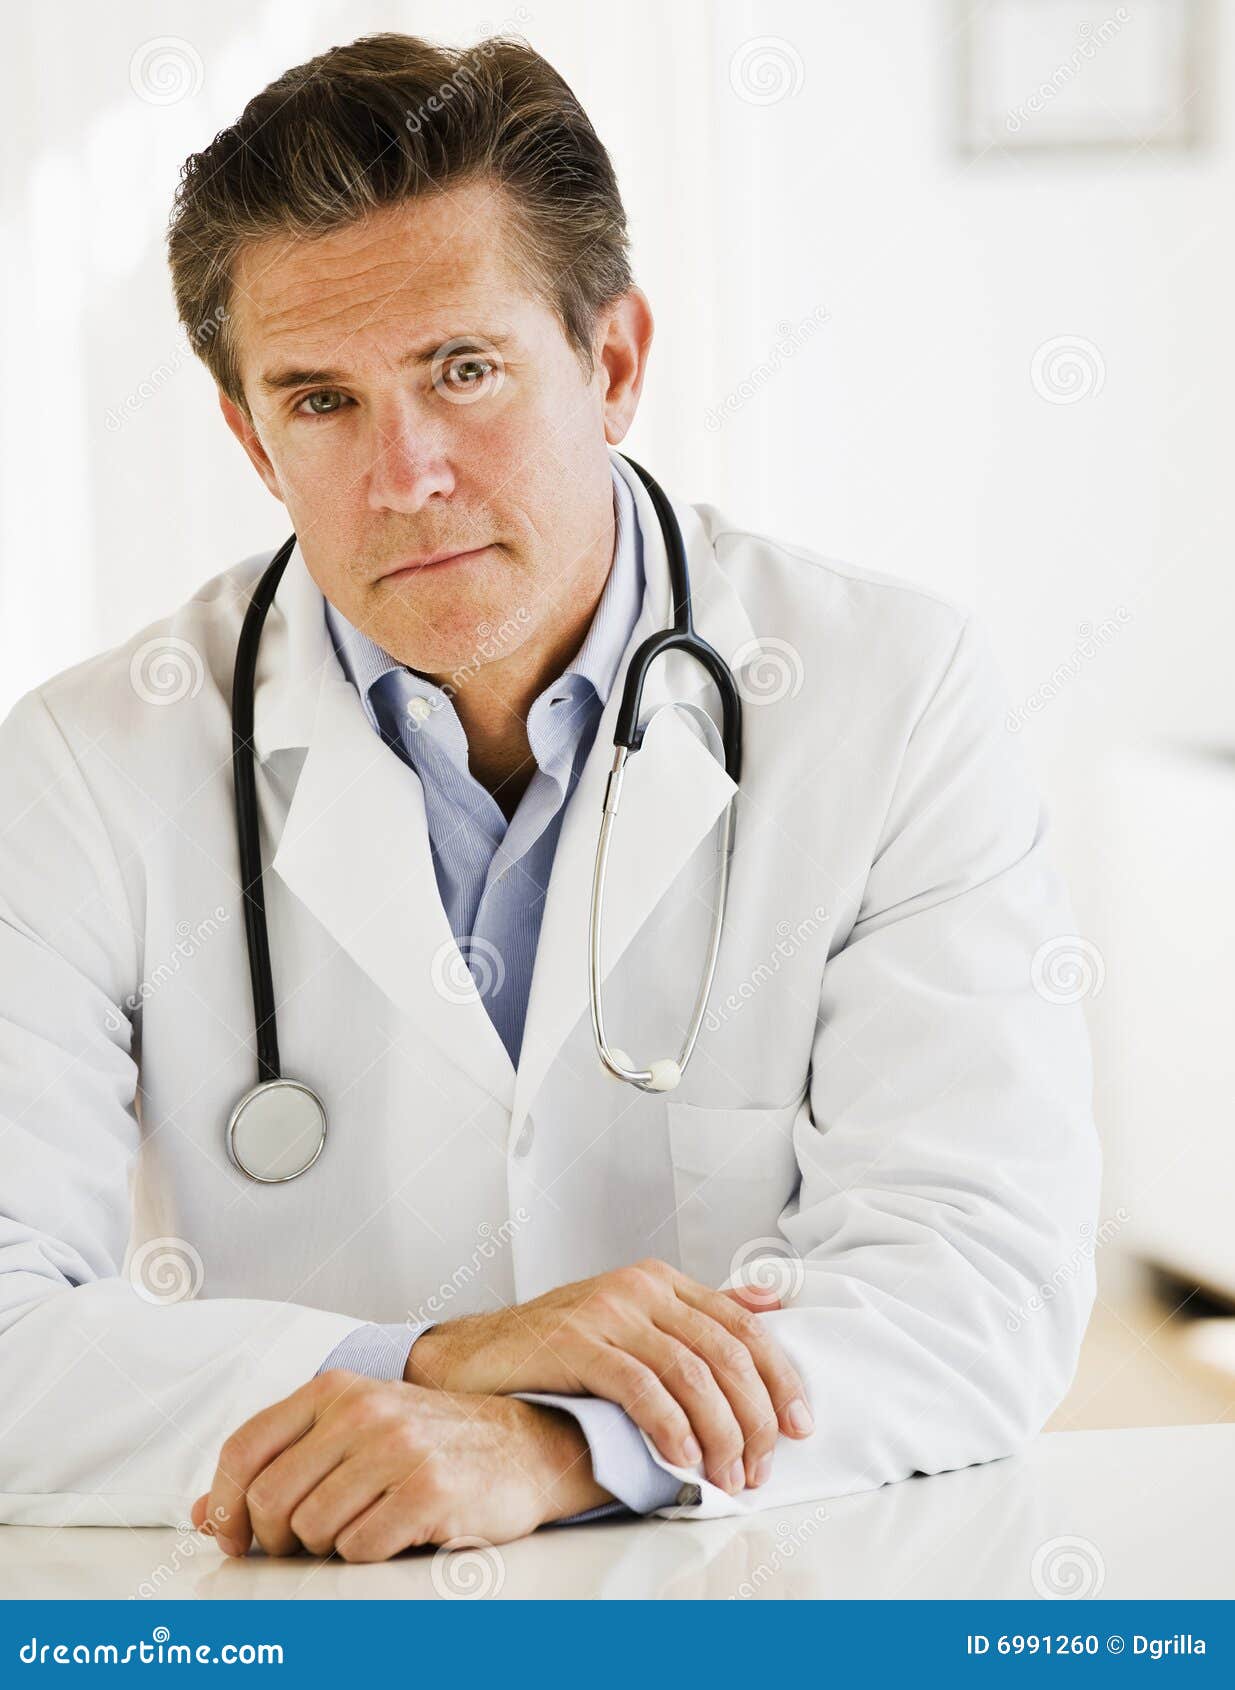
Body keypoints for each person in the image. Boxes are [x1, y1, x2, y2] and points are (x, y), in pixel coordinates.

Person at [0, 32, 1100, 1563]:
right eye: (320, 402)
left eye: (464, 368)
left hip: (763, 1590)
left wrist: (554, 1443)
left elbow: (975, 1279)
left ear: (616, 362)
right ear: (251, 438)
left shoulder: (885, 694)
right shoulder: (85, 763)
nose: (408, 472)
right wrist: (437, 1361)